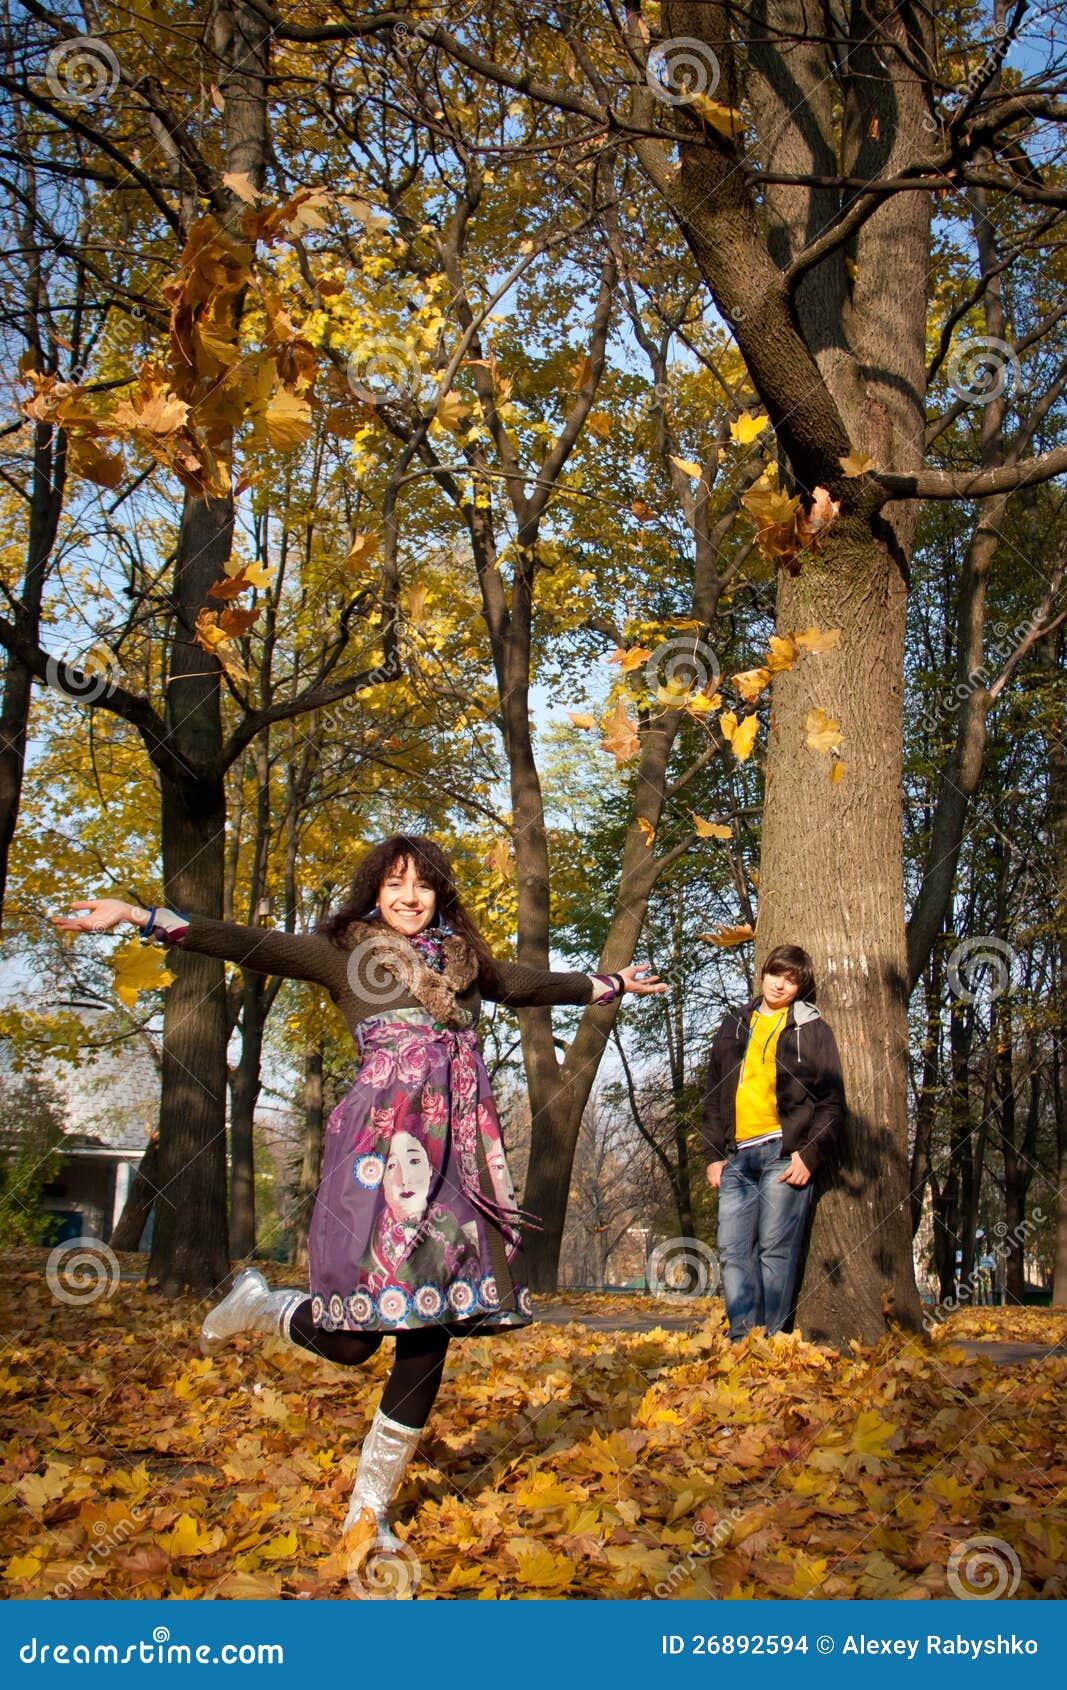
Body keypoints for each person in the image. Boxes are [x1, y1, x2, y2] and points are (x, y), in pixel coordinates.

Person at [53, 835, 667, 1554]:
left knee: (428, 1327)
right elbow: (249, 943)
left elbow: (529, 984)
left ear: (441, 895)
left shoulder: (465, 965)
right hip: (379, 1154)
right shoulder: (347, 956)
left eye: (424, 886)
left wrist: (611, 983)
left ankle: (367, 1512)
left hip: (456, 1158)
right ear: (374, 892)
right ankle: (264, 1307)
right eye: (395, 883)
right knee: (350, 1342)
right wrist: (140, 916)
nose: (410, 897)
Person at [702, 944, 844, 1342]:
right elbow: (714, 1092)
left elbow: (832, 1101)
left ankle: (771, 1341)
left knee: (775, 1252)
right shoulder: (734, 1024)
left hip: (784, 1154)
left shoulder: (811, 1029)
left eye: (791, 979)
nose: (780, 985)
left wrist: (809, 1154)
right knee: (732, 1251)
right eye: (775, 974)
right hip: (738, 1158)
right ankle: (741, 1340)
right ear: (763, 973)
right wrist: (713, 1155)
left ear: (799, 987)